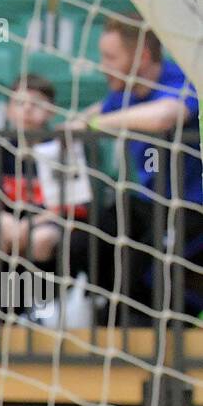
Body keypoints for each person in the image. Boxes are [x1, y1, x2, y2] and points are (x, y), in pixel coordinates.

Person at [66, 17, 202, 319]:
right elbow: (99, 110)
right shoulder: (124, 93)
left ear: (141, 56)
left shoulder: (181, 77)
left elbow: (164, 116)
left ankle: (147, 331)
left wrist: (95, 124)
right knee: (89, 238)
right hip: (148, 202)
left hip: (189, 207)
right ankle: (102, 308)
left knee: (142, 267)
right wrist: (73, 124)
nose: (103, 66)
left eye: (110, 57)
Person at [0, 74, 92, 274]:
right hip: (12, 223)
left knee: (39, 240)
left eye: (36, 103)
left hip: (52, 224)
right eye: (20, 103)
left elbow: (72, 207)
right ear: (9, 110)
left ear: (51, 111)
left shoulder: (61, 146)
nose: (28, 109)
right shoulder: (0, 149)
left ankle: (46, 300)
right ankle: (0, 300)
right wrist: (6, 222)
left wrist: (29, 225)